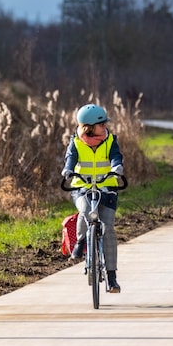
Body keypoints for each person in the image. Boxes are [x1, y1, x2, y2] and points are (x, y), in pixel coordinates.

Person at [61, 103, 126, 293]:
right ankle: (81, 241)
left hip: (107, 187)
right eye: (102, 124)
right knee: (85, 210)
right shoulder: (76, 142)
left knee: (108, 230)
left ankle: (112, 278)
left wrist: (117, 167)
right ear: (89, 127)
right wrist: (68, 169)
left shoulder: (110, 140)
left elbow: (116, 156)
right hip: (82, 187)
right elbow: (70, 158)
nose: (105, 126)